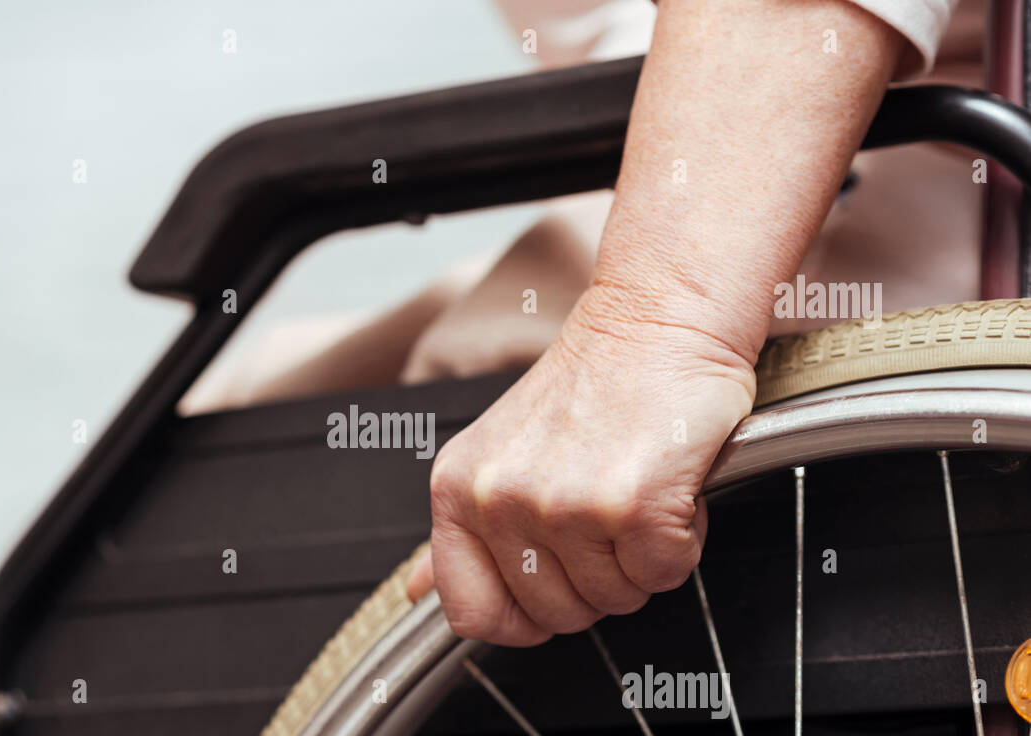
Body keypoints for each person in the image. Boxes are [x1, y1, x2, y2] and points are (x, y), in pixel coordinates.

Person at [185, 0, 976, 646]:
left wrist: (654, 328)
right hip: (791, 185)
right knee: (249, 385)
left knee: (206, 457)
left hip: (887, 249)